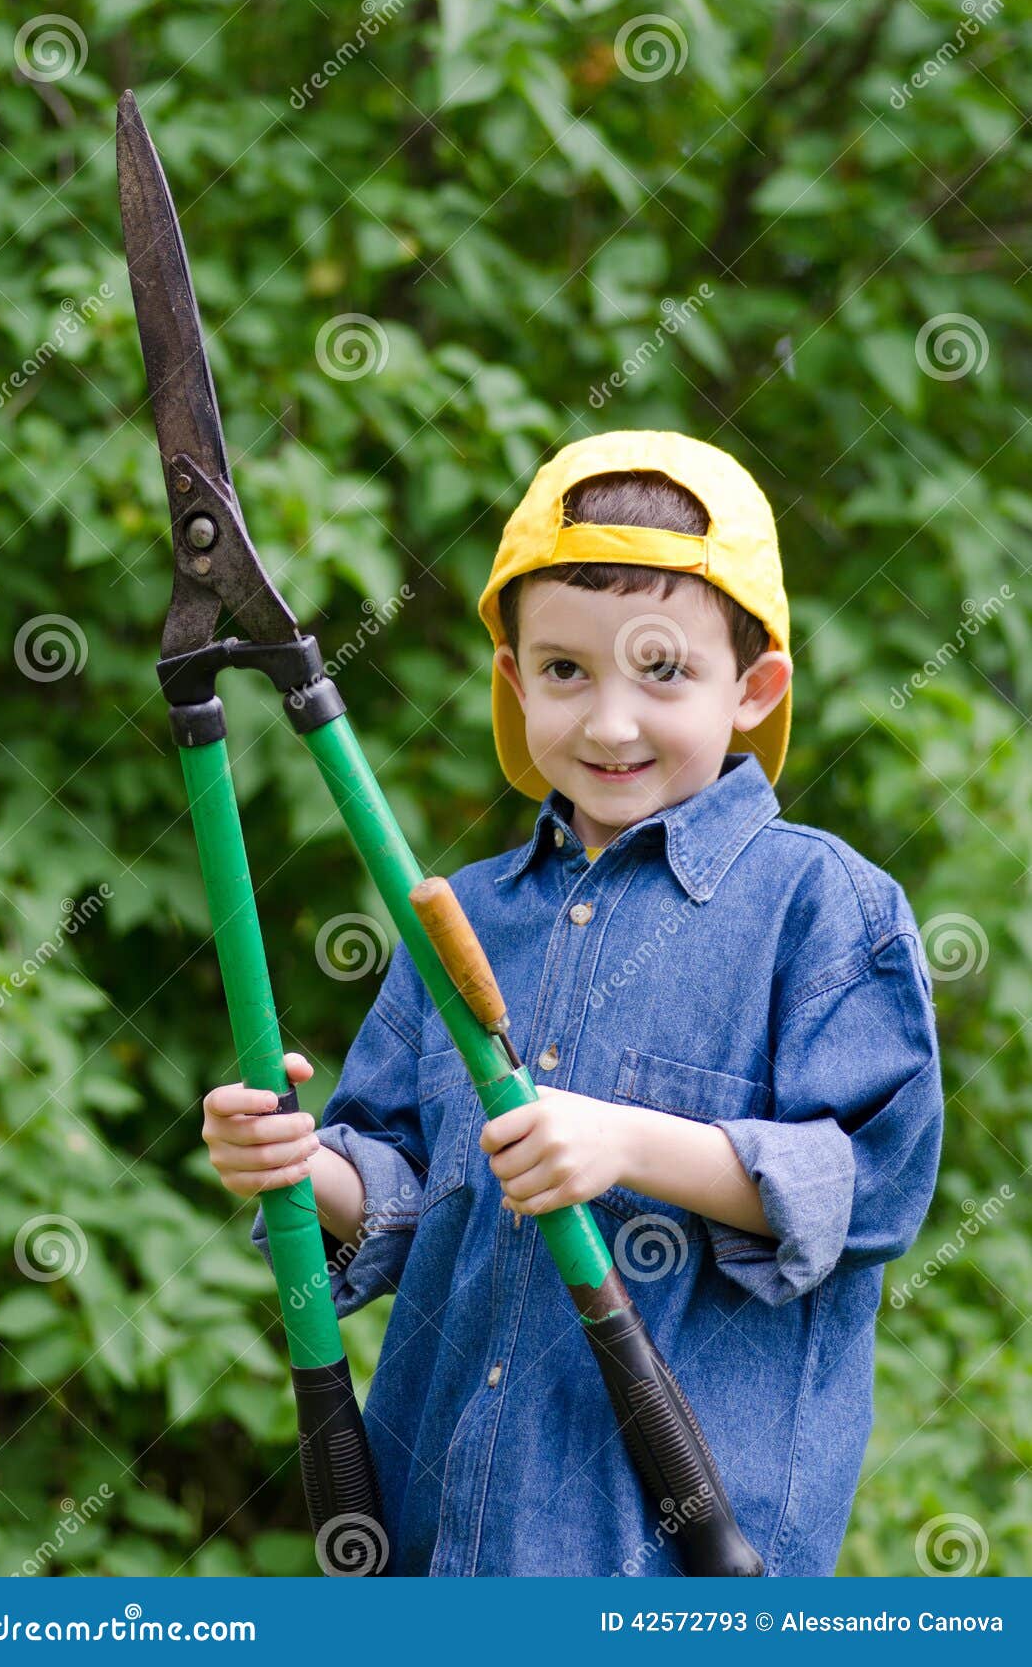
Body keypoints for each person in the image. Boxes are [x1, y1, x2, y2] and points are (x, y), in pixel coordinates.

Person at [201, 430, 944, 1577]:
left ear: (753, 689)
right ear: (511, 679)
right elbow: (400, 1193)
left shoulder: (821, 907)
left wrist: (624, 1143)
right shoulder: (460, 917)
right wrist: (302, 1167)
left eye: (662, 672)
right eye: (563, 671)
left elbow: (870, 1188)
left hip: (671, 1574)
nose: (607, 722)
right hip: (439, 1554)